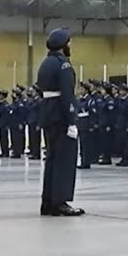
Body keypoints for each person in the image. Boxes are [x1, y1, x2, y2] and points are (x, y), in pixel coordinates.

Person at [38, 27, 83, 216]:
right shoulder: (63, 64)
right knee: (64, 160)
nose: (71, 45)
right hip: (61, 116)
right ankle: (60, 202)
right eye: (69, 42)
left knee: (52, 160)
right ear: (63, 45)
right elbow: (67, 94)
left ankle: (48, 201)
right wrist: (72, 120)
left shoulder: (46, 63)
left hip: (48, 115)